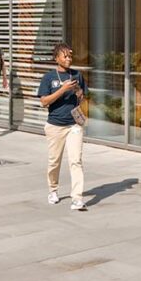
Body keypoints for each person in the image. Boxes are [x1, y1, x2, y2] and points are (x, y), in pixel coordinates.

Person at [38, 42, 87, 211]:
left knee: (76, 161)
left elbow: (83, 97)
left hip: (74, 125)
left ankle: (77, 198)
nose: (68, 59)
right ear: (56, 58)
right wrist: (62, 89)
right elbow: (44, 102)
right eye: (65, 56)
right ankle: (53, 190)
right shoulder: (49, 77)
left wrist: (78, 94)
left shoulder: (77, 75)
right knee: (54, 161)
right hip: (55, 125)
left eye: (70, 56)